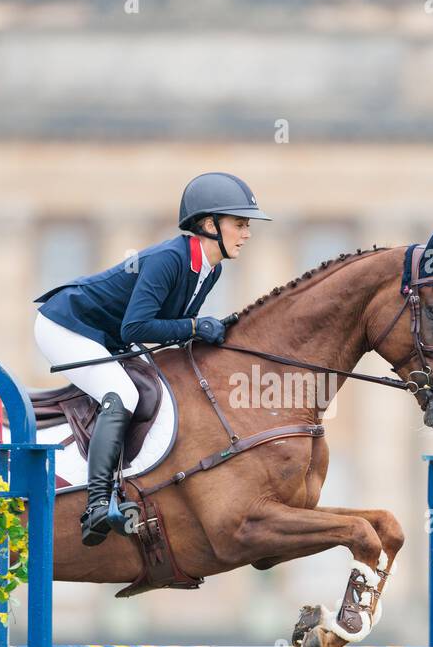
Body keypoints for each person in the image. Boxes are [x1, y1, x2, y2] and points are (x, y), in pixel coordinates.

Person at [33, 172, 271, 546]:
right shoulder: (168, 259)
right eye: (239, 224)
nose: (247, 233)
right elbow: (136, 328)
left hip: (105, 336)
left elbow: (168, 327)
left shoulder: (210, 269)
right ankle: (96, 504)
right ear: (210, 225)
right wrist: (194, 326)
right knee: (123, 395)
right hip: (67, 326)